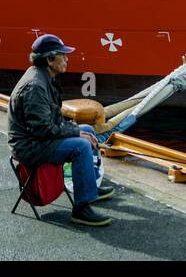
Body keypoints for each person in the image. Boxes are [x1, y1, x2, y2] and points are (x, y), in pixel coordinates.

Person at [8, 34, 116, 227]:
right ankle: (81, 209)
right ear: (49, 60)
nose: (67, 59)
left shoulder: (43, 78)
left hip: (38, 140)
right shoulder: (35, 87)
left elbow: (50, 123)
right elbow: (42, 129)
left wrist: (76, 130)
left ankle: (88, 187)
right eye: (62, 55)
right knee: (82, 145)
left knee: (87, 130)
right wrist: (74, 133)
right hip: (31, 147)